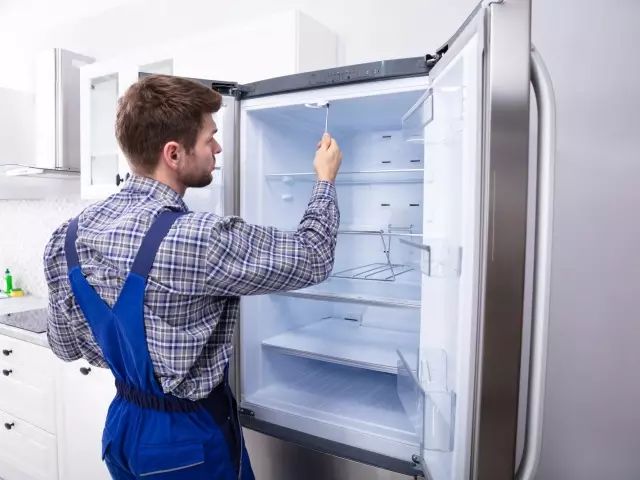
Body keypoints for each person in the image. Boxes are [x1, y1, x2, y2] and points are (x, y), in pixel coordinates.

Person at [43, 74, 343, 479]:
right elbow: (313, 256)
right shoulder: (198, 239)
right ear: (173, 153)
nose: (217, 148)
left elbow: (65, 346)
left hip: (123, 428)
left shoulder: (67, 236)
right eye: (209, 139)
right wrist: (325, 180)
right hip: (186, 442)